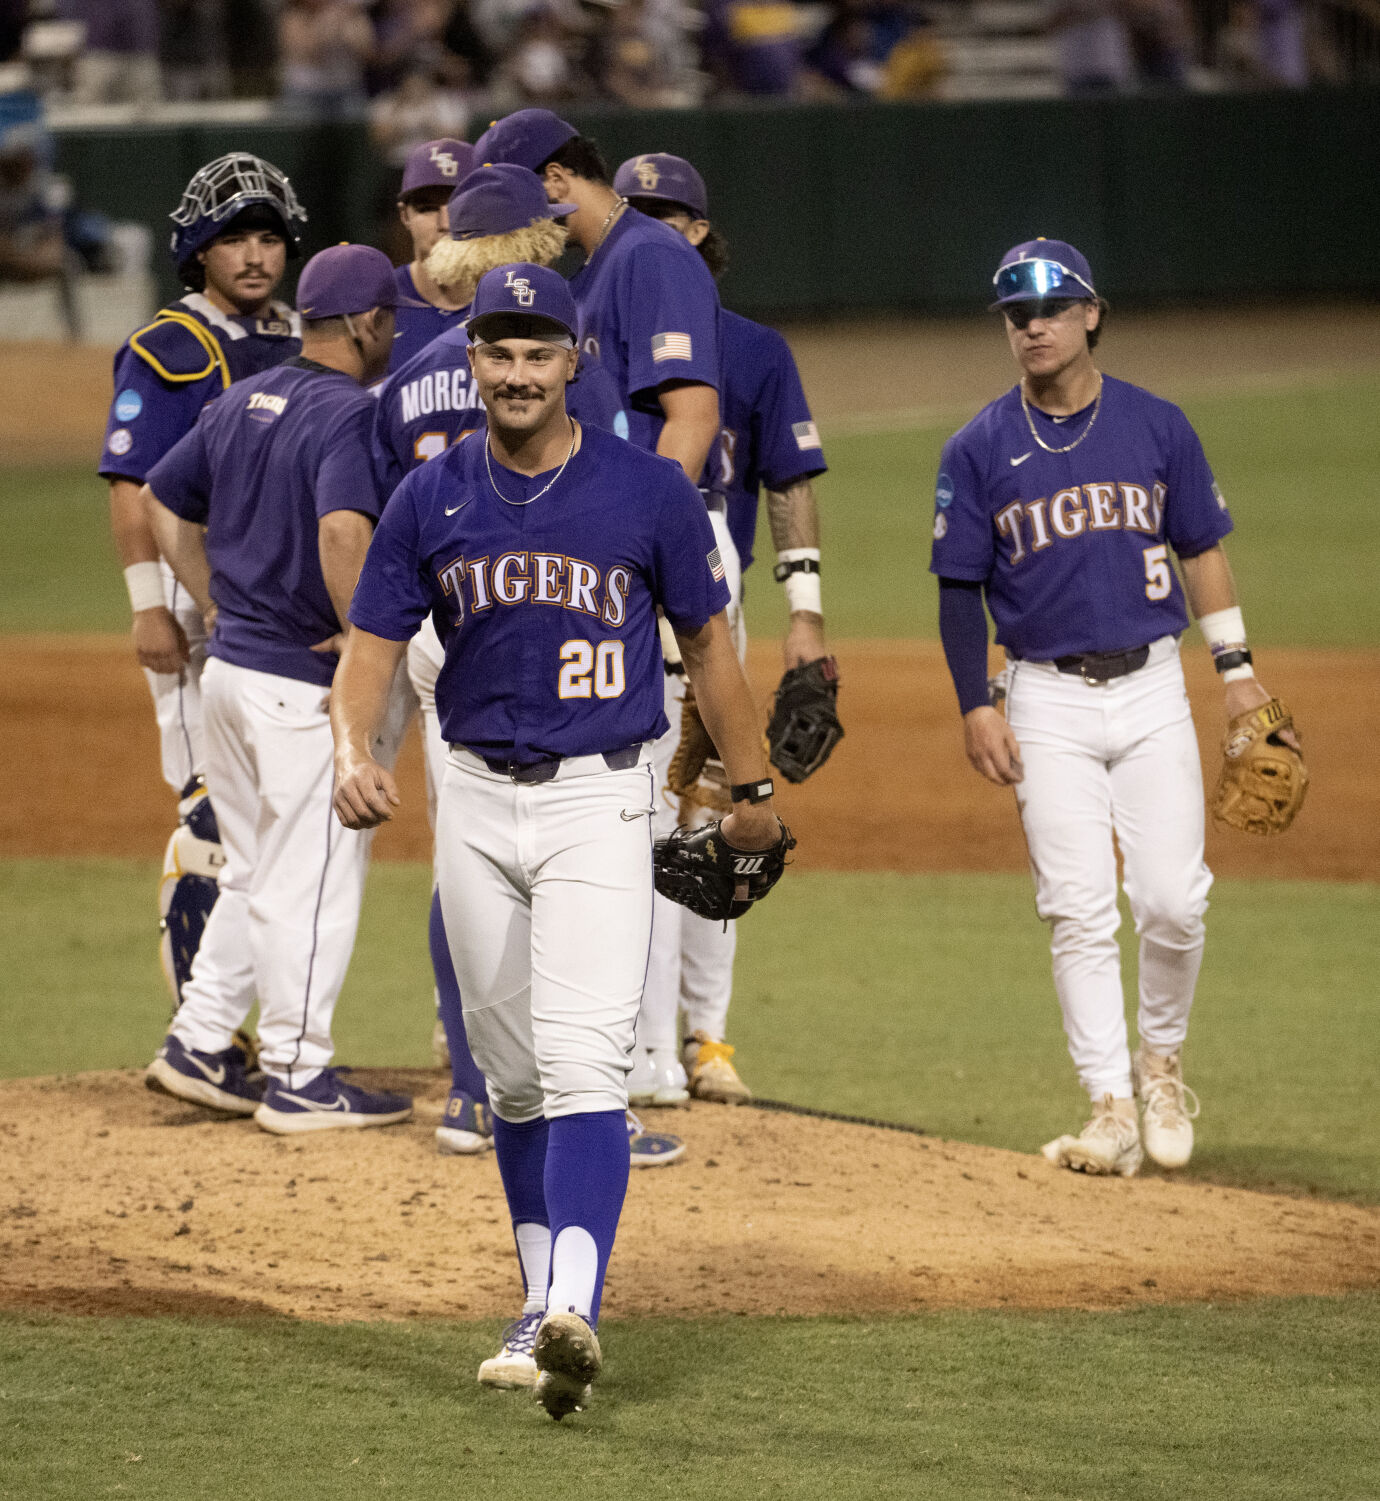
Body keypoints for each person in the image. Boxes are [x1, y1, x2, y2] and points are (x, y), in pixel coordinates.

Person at [332, 263, 788, 1415]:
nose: (519, 371)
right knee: (513, 1080)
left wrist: (752, 782)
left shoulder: (648, 492)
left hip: (601, 799)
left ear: (577, 361)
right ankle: (538, 1303)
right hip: (473, 803)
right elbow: (373, 645)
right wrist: (356, 749)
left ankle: (569, 1304)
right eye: (500, 350)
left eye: (541, 351)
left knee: (585, 1059)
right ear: (471, 361)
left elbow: (714, 646)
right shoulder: (429, 499)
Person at [932, 238, 1291, 1177]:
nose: (1034, 325)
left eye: (1051, 307)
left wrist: (1238, 668)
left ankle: (1161, 1061)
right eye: (1017, 314)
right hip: (1043, 697)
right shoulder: (977, 446)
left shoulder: (1156, 425)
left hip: (1153, 688)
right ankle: (1110, 1103)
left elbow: (1201, 545)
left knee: (1173, 901)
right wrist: (976, 702)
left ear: (1091, 312)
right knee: (1078, 908)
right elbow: (955, 587)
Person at [372, 162, 680, 1167]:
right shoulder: (554, 345)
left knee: (467, 839)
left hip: (436, 614)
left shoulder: (415, 357)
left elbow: (374, 498)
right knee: (533, 832)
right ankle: (569, 1080)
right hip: (524, 605)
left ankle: (476, 1081)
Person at [141, 244, 418, 1135]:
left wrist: (212, 598)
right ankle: (301, 1071)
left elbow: (163, 499)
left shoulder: (240, 400)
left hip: (226, 678)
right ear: (368, 322)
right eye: (391, 316)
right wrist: (362, 634)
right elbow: (344, 530)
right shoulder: (349, 414)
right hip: (298, 685)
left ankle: (200, 1039)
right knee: (316, 873)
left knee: (257, 869)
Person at [613, 151, 831, 1106]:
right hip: (618, 600)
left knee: (716, 818)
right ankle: (645, 1048)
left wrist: (807, 611)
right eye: (635, 212)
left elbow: (787, 481)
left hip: (713, 608)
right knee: (648, 819)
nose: (651, 227)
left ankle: (708, 1039)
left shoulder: (752, 350)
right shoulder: (589, 337)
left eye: (667, 214)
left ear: (701, 231)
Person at [101, 152, 305, 1019]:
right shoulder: (166, 346)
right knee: (213, 821)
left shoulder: (305, 338)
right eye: (234, 240)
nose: (255, 255)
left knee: (273, 822)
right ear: (199, 251)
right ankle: (203, 1027)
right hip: (193, 607)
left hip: (285, 610)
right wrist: (150, 601)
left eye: (268, 237)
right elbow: (132, 483)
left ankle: (239, 1026)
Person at [386, 136, 477, 373]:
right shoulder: (379, 305)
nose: (445, 223)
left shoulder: (511, 298)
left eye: (460, 205)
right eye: (427, 209)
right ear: (405, 216)